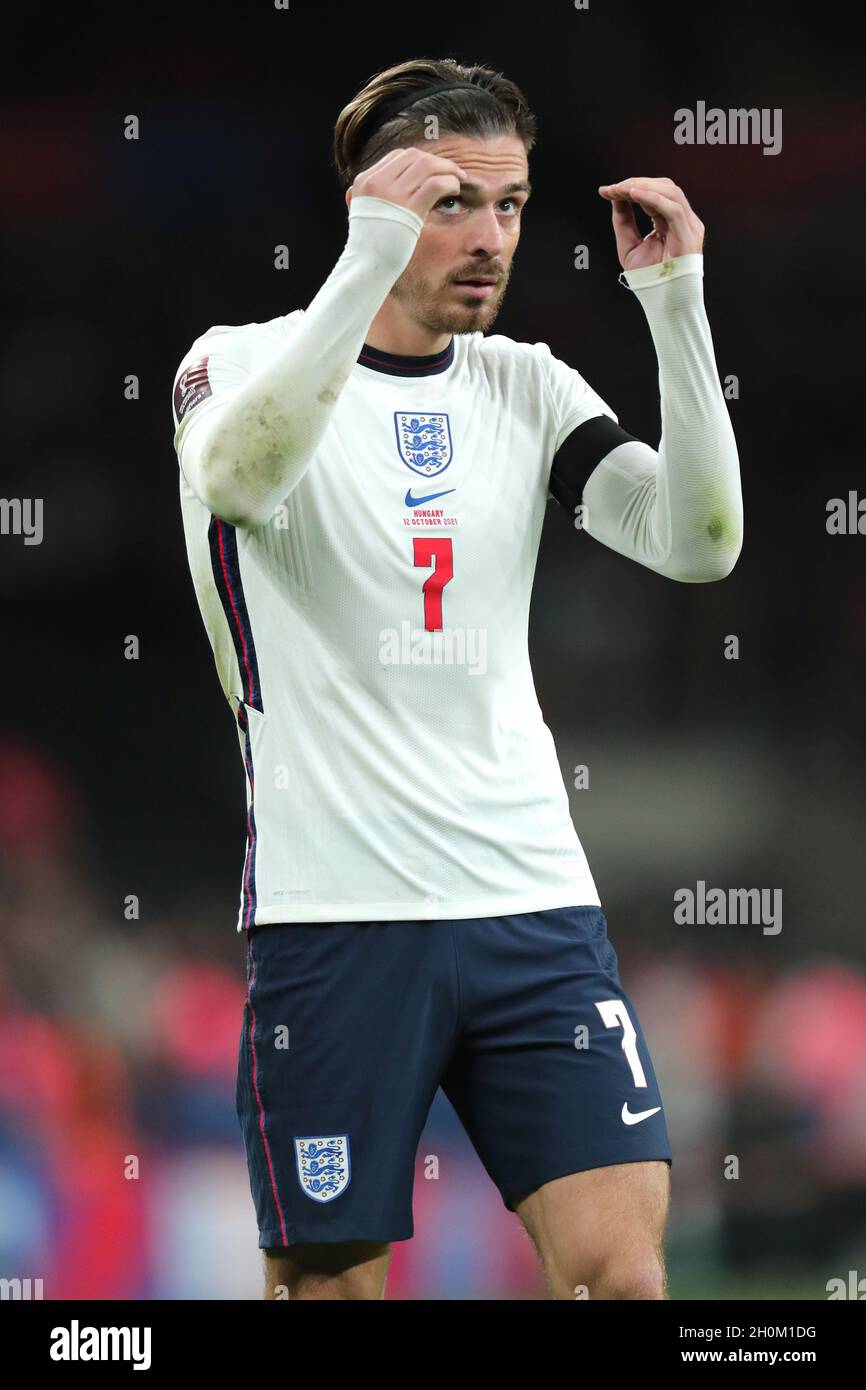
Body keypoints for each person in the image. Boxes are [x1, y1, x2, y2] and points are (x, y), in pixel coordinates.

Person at [171, 57, 742, 1300]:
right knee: (328, 1289)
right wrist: (368, 257)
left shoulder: (523, 385)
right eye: (451, 204)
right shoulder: (236, 362)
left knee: (623, 1278)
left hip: (531, 900)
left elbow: (696, 542)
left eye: (511, 205)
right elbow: (236, 480)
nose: (491, 239)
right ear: (372, 207)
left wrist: (674, 303)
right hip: (334, 912)